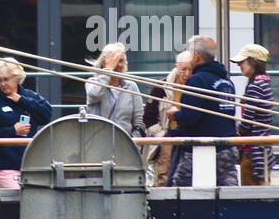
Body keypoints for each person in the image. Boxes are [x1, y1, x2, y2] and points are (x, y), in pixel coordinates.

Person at [167, 35, 239, 187]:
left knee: (179, 192)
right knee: (230, 194)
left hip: (200, 150)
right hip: (227, 148)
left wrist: (174, 114)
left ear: (196, 56)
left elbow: (190, 118)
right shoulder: (227, 82)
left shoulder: (197, 81)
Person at [0, 58, 53, 189]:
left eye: (6, 79)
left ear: (17, 78)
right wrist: (12, 131)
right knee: (21, 198)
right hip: (5, 166)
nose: (2, 84)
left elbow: (46, 116)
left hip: (31, 164)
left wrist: (22, 101)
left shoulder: (30, 97)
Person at [144, 50, 192, 186]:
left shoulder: (196, 86)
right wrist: (162, 135)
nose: (187, 74)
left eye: (190, 69)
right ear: (176, 67)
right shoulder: (161, 87)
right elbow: (148, 117)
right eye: (183, 69)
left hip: (188, 136)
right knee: (163, 176)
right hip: (167, 137)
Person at [232, 44, 274, 186]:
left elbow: (247, 122)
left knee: (250, 192)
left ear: (253, 62)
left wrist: (237, 133)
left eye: (242, 61)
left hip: (253, 152)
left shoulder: (255, 86)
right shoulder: (264, 83)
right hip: (262, 150)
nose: (239, 65)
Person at [85, 43, 146, 137]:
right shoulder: (92, 83)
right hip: (97, 145)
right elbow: (95, 95)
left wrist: (134, 145)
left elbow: (138, 121)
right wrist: (108, 69)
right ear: (105, 62)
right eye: (115, 60)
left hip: (125, 145)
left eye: (121, 60)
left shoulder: (131, 87)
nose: (119, 64)